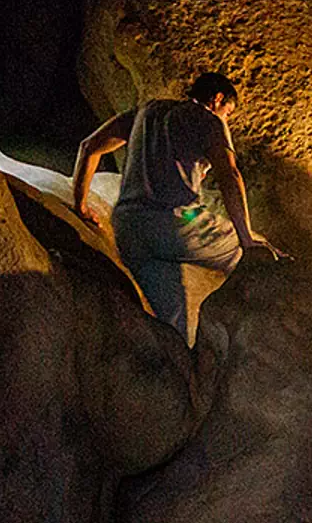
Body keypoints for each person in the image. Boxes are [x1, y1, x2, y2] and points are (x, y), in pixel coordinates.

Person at [71, 72, 277, 337]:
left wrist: (81, 207)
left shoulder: (147, 112)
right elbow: (230, 175)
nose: (226, 119)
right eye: (228, 112)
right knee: (265, 256)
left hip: (129, 229)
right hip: (177, 225)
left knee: (172, 328)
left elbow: (89, 146)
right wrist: (246, 238)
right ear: (217, 99)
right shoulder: (208, 119)